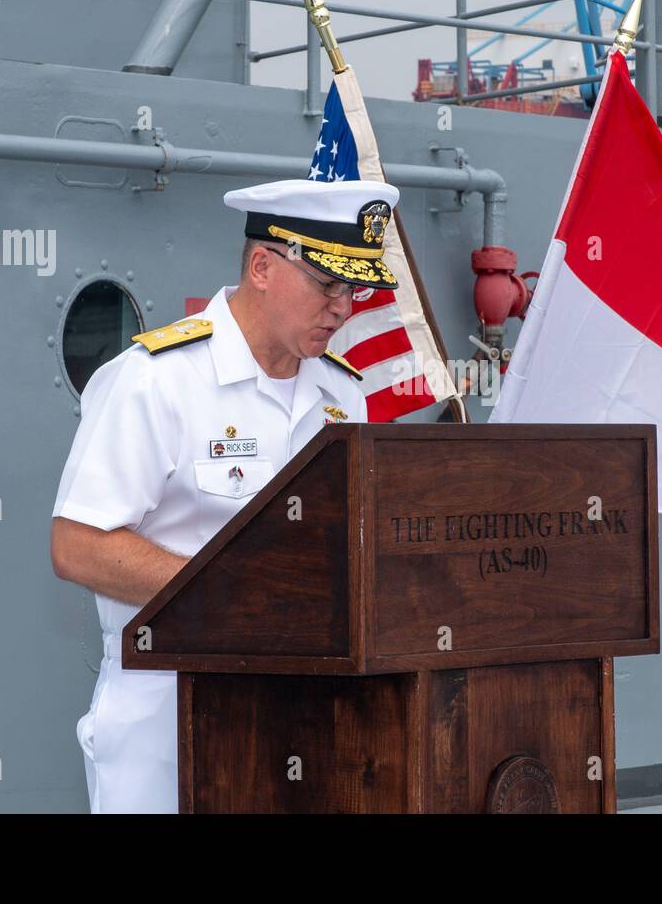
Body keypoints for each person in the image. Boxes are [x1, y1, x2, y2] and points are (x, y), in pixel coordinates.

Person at [49, 178, 401, 813]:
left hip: (307, 714)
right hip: (169, 718)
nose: (343, 307)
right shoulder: (157, 381)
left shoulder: (342, 395)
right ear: (263, 266)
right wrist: (239, 596)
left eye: (354, 288)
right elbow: (78, 546)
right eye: (327, 284)